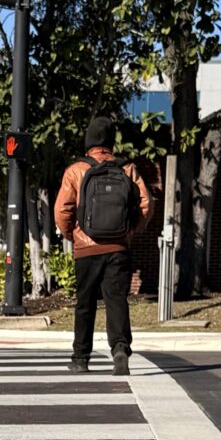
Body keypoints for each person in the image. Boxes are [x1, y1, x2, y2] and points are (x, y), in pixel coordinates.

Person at [53, 114, 153, 374]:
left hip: (86, 248)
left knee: (84, 302)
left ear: (88, 142)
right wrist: (130, 232)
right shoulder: (127, 169)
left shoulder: (76, 170)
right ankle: (120, 348)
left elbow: (62, 211)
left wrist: (72, 236)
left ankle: (80, 358)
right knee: (116, 299)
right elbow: (146, 204)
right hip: (118, 247)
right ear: (111, 142)